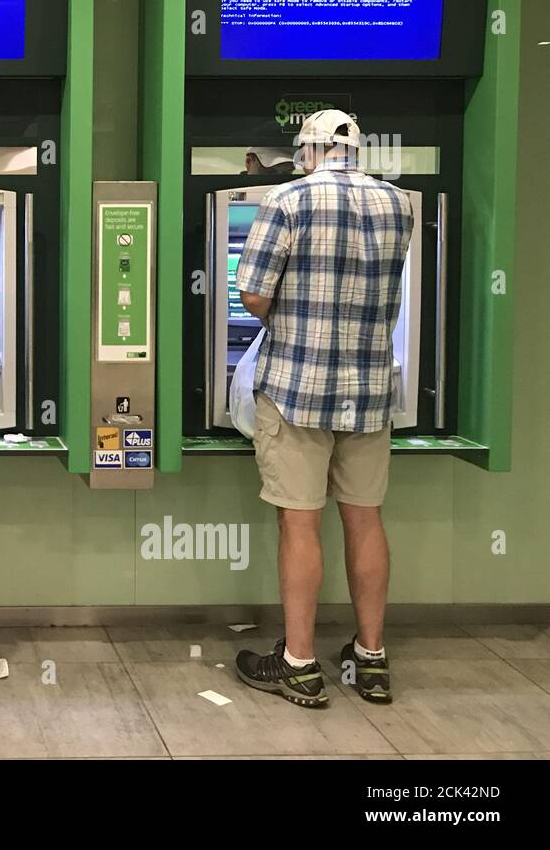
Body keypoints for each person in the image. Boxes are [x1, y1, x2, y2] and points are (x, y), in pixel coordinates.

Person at [232, 110, 413, 708]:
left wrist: (289, 314)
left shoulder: (286, 200)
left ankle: (300, 663)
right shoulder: (399, 204)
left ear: (308, 150)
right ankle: (372, 658)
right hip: (370, 391)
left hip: (297, 390)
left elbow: (253, 293)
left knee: (299, 521)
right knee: (365, 519)